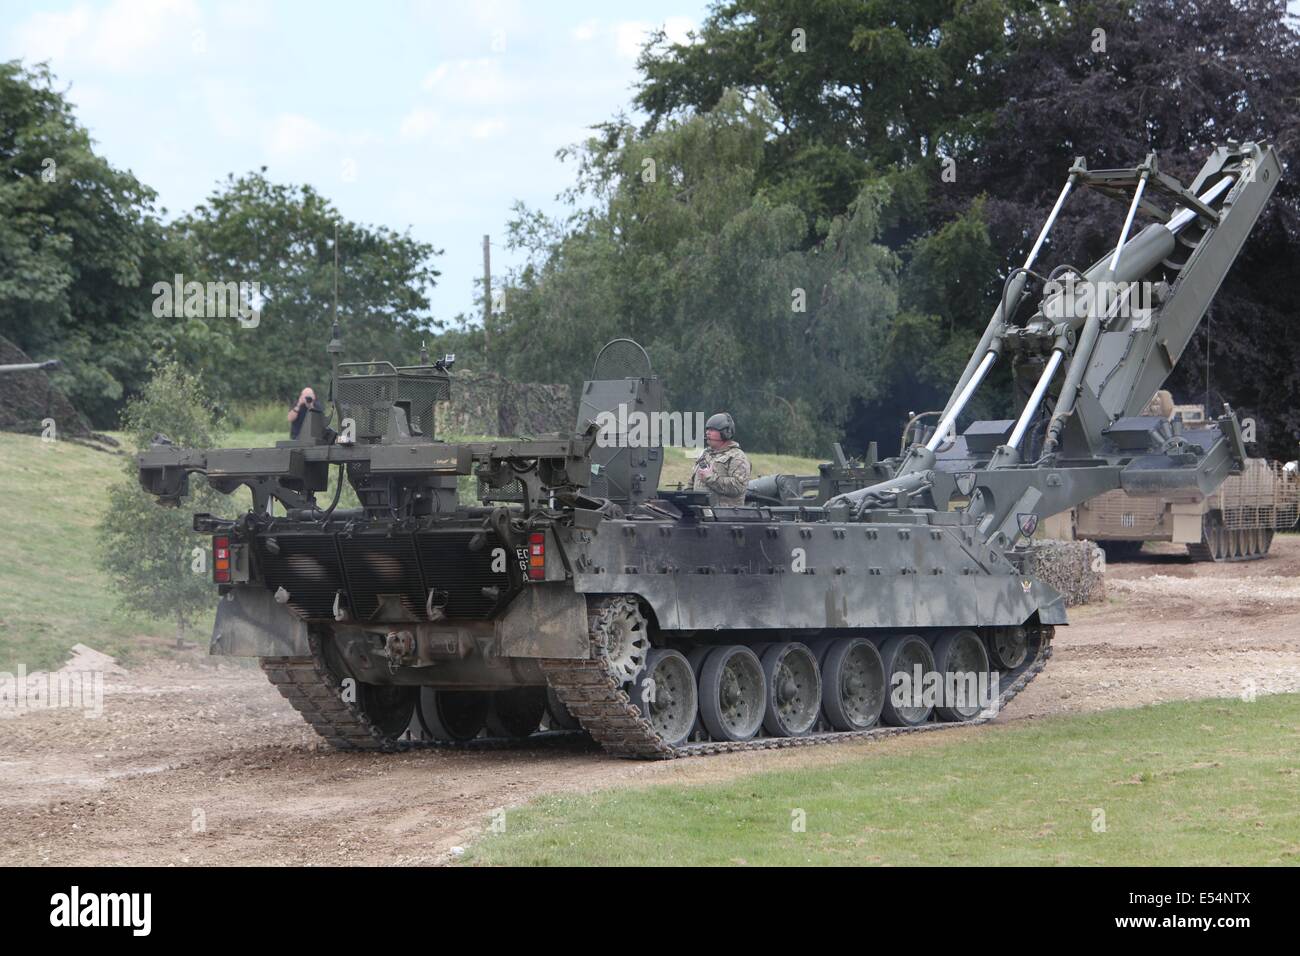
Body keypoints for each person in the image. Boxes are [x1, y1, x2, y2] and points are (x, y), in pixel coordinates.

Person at [692, 412, 751, 507]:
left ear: (725, 433)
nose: (707, 432)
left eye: (712, 429)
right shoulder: (705, 454)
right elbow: (692, 482)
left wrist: (710, 478)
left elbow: (738, 487)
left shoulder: (737, 457)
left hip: (725, 516)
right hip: (701, 513)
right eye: (707, 429)